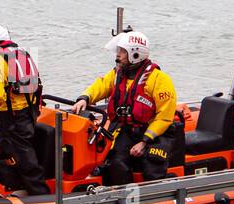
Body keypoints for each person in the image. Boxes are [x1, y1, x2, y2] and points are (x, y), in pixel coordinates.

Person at [71, 31, 178, 187]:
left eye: (122, 52)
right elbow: (101, 85)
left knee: (152, 167)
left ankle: (157, 201)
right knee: (115, 161)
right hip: (128, 130)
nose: (118, 55)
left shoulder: (159, 80)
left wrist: (144, 141)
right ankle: (123, 200)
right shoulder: (118, 74)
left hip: (156, 133)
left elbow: (165, 117)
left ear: (135, 54)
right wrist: (85, 98)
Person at [0, 22, 50, 195]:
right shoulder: (22, 54)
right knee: (2, 152)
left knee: (25, 158)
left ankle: (41, 195)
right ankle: (13, 187)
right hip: (27, 114)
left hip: (9, 118)